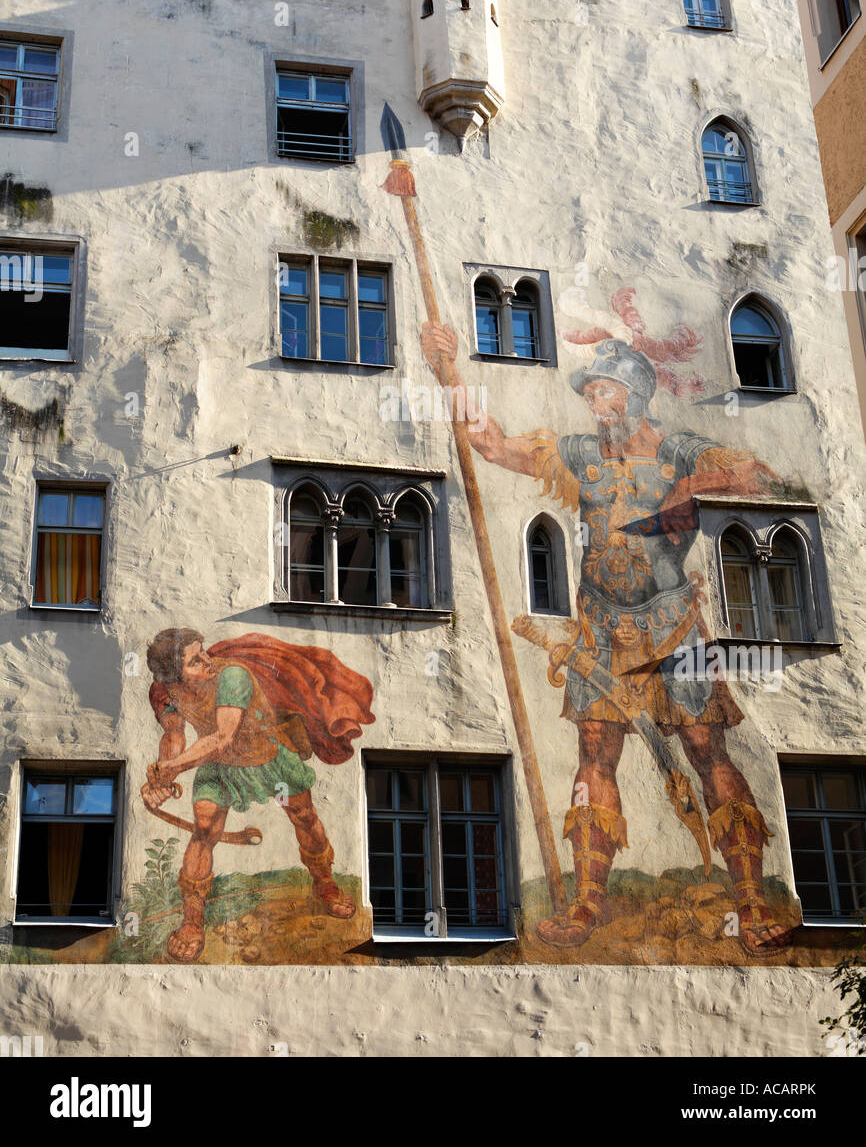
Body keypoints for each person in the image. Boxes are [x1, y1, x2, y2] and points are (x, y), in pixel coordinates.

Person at [421, 325, 792, 956]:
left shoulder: (677, 449)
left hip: (673, 626)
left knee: (710, 753)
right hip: (600, 625)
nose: (597, 402)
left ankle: (753, 902)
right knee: (595, 757)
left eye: (607, 391)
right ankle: (589, 900)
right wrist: (450, 371)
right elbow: (491, 444)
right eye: (591, 393)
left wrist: (691, 489)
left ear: (638, 394)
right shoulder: (576, 452)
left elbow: (760, 474)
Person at [141, 629, 374, 963]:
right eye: (195, 660)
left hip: (267, 758)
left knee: (305, 816)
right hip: (219, 768)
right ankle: (192, 922)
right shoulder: (164, 692)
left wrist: (171, 769)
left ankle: (325, 883)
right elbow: (174, 733)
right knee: (204, 829)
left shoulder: (231, 676)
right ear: (176, 677)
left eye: (203, 651)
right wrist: (161, 774)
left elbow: (222, 737)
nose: (207, 660)